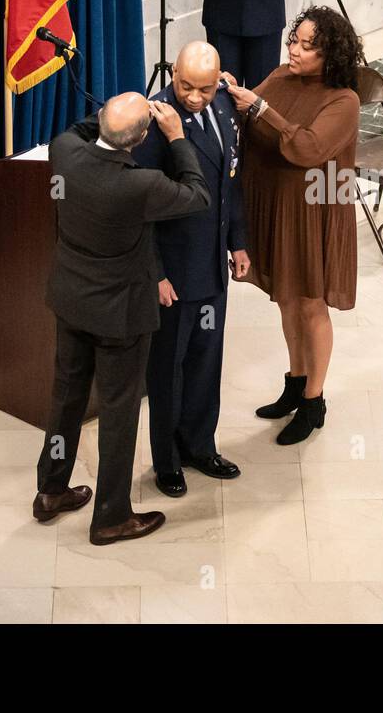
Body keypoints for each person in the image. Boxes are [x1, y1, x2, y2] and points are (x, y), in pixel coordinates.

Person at [32, 92, 210, 545]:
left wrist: (112, 114)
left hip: (71, 300)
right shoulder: (141, 184)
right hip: (120, 315)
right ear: (142, 138)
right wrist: (177, 136)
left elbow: (78, 130)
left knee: (67, 396)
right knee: (118, 411)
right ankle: (111, 516)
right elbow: (197, 193)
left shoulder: (64, 153)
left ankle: (51, 490)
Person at [224, 6, 360, 445]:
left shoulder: (343, 100)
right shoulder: (282, 76)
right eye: (294, 42)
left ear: (331, 53)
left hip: (311, 211)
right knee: (286, 299)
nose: (295, 52)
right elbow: (248, 113)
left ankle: (314, 400)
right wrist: (232, 94)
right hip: (275, 203)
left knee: (309, 303)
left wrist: (263, 109)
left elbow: (306, 148)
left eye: (307, 46)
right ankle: (295, 381)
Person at [133, 42, 248, 497]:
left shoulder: (222, 102)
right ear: (172, 73)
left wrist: (238, 242)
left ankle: (200, 445)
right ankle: (167, 461)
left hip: (212, 268)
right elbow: (141, 209)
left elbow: (229, 181)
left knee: (206, 363)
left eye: (205, 87)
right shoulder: (154, 121)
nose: (195, 97)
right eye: (186, 86)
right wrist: (155, 273)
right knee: (168, 370)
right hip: (173, 275)